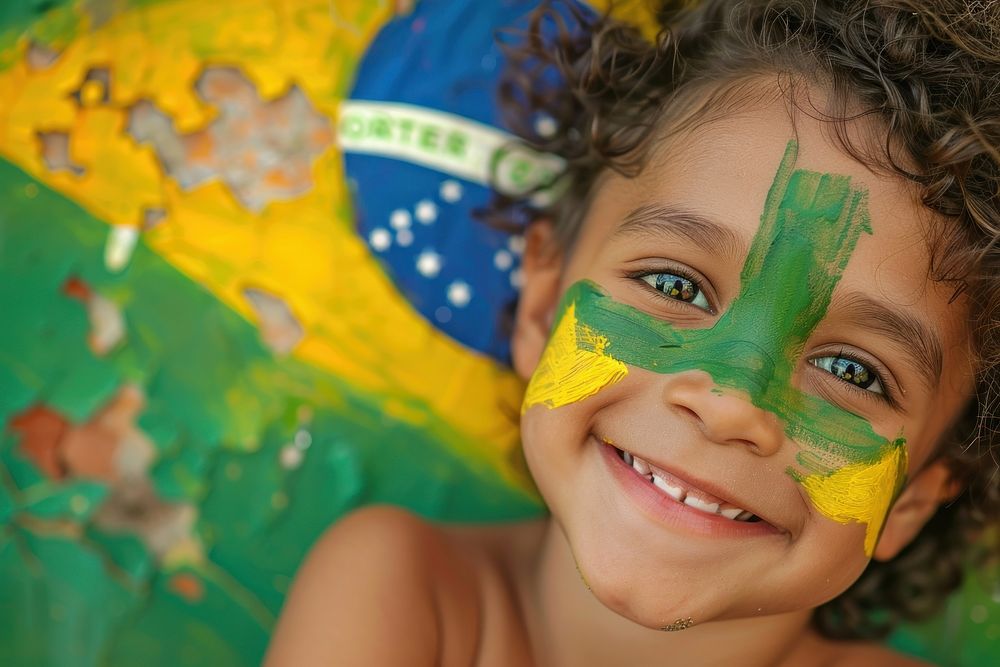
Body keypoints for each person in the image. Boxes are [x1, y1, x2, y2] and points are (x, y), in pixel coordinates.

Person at [264, 1, 1000, 664]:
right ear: (542, 304)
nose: (730, 401)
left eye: (854, 371)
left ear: (911, 501)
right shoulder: (400, 589)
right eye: (675, 286)